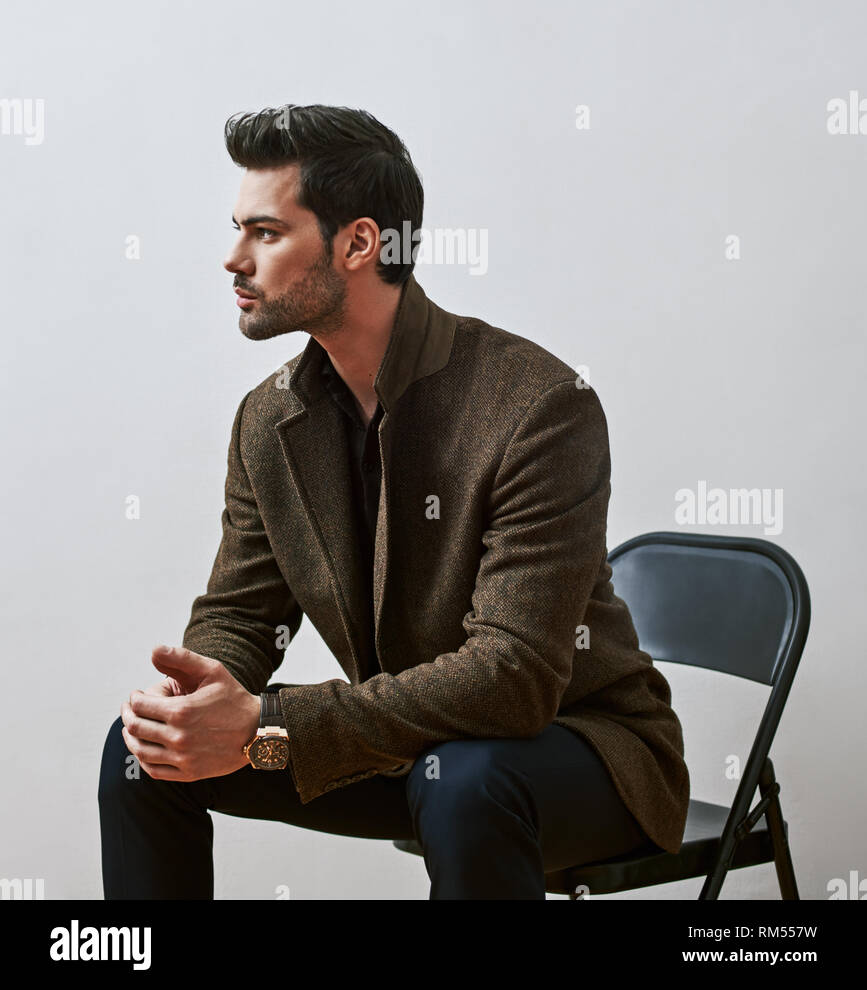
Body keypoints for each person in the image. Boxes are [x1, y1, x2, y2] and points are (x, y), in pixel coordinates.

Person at [98, 103, 689, 900]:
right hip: (400, 746)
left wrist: (269, 725)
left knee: (466, 777)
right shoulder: (269, 419)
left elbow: (511, 678)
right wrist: (201, 699)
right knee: (142, 752)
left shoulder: (537, 405)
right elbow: (242, 613)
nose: (232, 258)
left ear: (359, 243)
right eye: (237, 229)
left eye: (266, 233)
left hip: (577, 751)